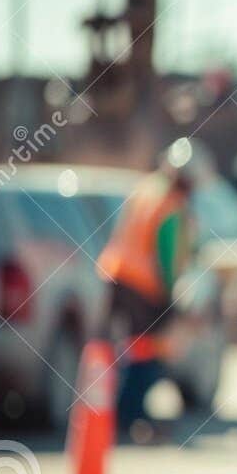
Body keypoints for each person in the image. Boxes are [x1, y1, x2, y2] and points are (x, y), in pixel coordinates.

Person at [97, 139, 198, 432]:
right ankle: (130, 412)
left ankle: (121, 410)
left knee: (129, 344)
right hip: (142, 283)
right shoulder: (171, 203)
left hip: (116, 273)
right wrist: (169, 294)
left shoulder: (146, 188)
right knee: (148, 346)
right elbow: (166, 255)